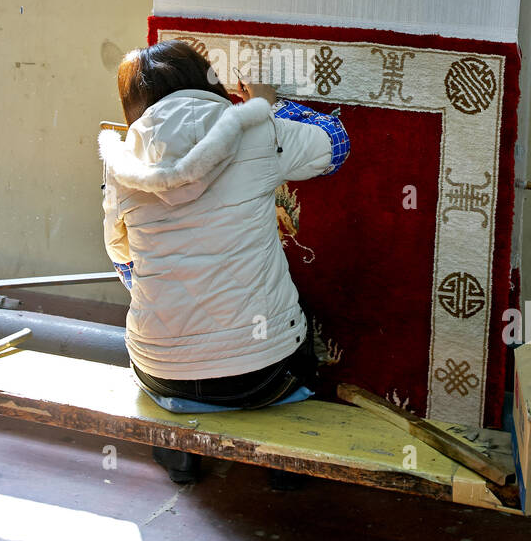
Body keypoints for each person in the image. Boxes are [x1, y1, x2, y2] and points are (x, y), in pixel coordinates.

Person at [98, 40, 350, 483]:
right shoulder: (255, 131)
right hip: (261, 375)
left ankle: (180, 458)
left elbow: (123, 263)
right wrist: (267, 106)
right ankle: (286, 460)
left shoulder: (121, 160)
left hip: (161, 374)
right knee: (300, 314)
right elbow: (336, 144)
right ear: (206, 81)